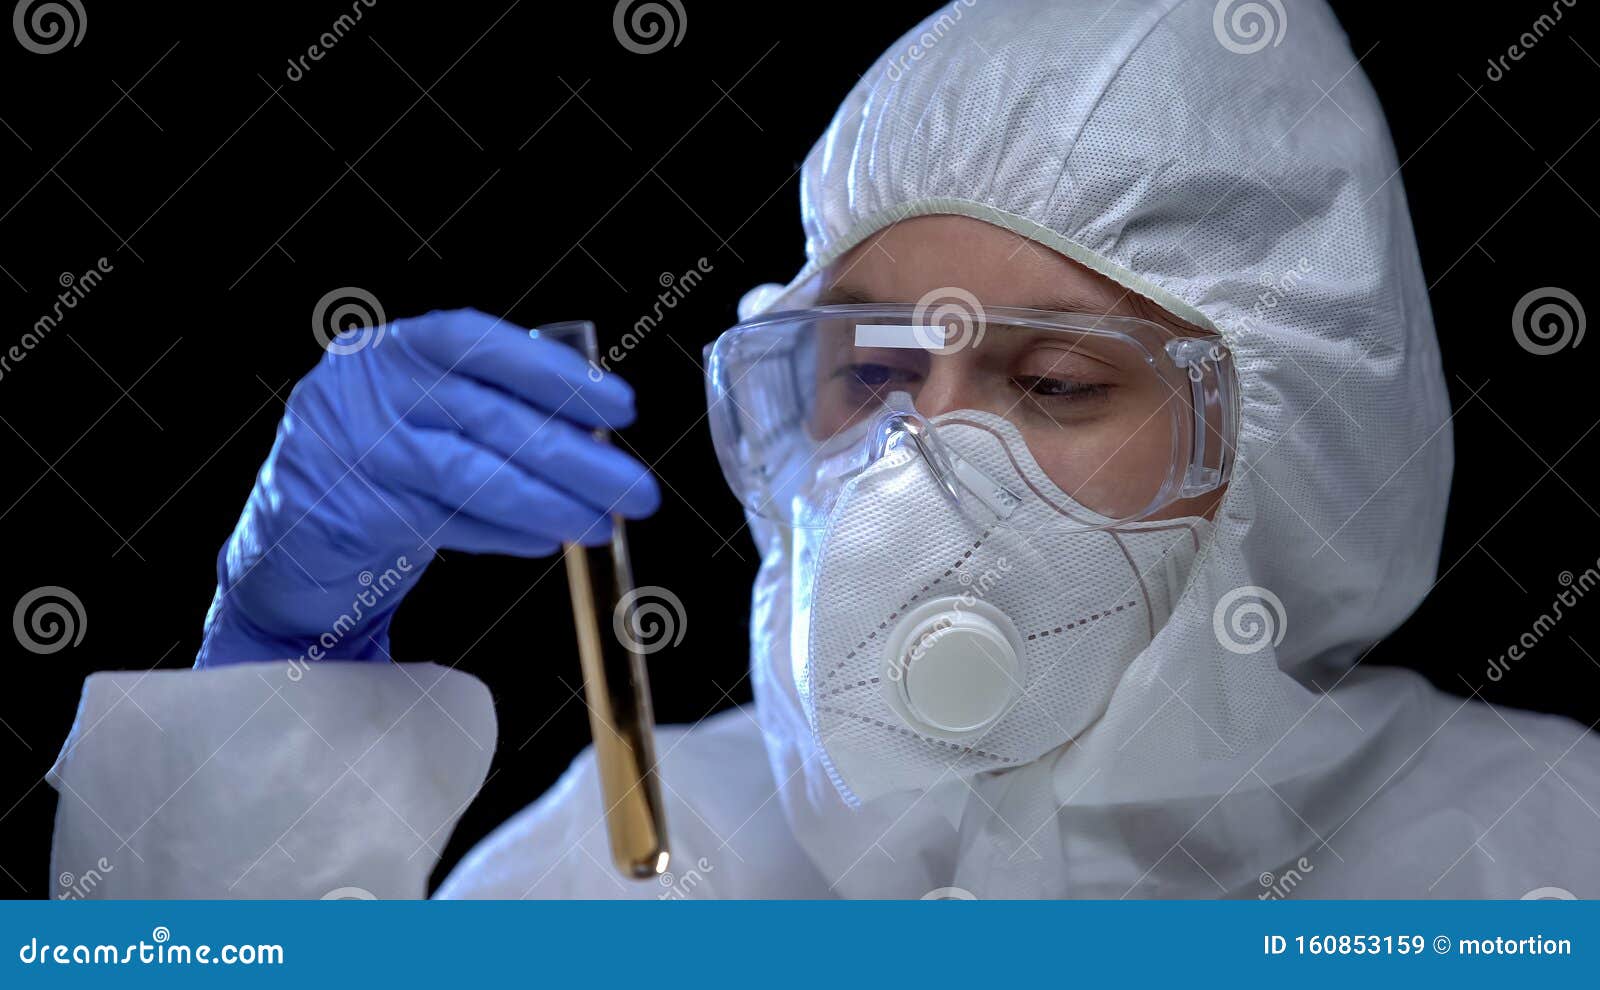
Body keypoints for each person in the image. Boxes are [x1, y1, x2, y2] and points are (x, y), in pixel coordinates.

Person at [48, 0, 1600, 899]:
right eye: (868, 372)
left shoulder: (1533, 850)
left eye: (1054, 383)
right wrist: (280, 667)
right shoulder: (652, 855)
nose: (920, 464)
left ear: (1290, 438)